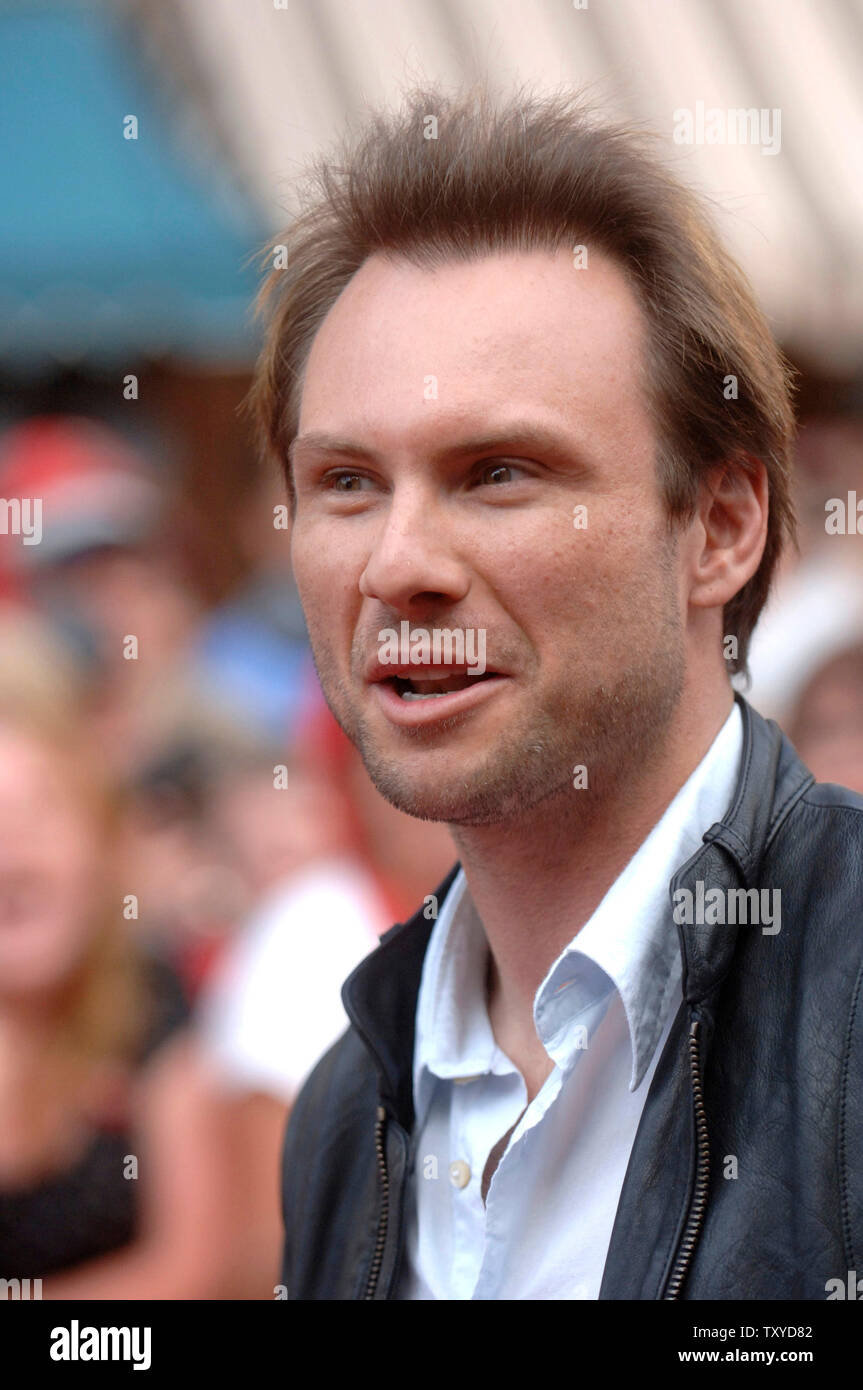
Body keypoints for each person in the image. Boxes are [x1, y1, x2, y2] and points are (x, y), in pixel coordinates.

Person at [246, 86, 863, 1300]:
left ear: (721, 527)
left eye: (498, 473)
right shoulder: (344, 1108)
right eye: (348, 481)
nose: (396, 563)